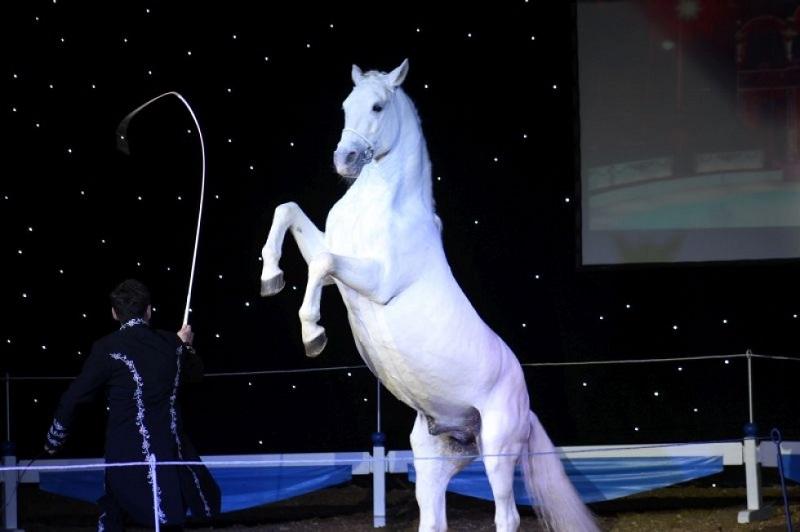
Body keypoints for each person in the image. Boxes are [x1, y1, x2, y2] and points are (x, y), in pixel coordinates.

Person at [44, 279, 220, 530]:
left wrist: (54, 438)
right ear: (149, 310)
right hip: (168, 454)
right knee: (164, 515)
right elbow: (195, 376)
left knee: (126, 515)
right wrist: (185, 346)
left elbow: (75, 396)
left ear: (114, 313)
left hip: (125, 456)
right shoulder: (172, 343)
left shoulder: (107, 347)